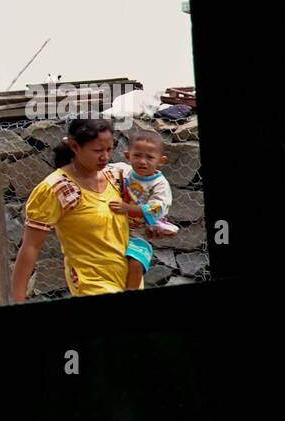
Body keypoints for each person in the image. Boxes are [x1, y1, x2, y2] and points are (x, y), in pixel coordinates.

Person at [11, 116, 133, 300]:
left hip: (127, 278)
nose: (105, 157)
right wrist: (17, 300)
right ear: (75, 147)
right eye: (98, 150)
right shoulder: (56, 188)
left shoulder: (115, 177)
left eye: (109, 149)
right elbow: (31, 246)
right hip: (91, 282)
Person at [105, 128, 178, 290]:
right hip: (115, 228)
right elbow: (99, 171)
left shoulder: (160, 184)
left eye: (150, 157)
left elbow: (157, 208)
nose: (142, 161)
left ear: (161, 160)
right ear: (127, 156)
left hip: (140, 233)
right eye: (137, 155)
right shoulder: (122, 170)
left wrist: (128, 209)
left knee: (136, 262)